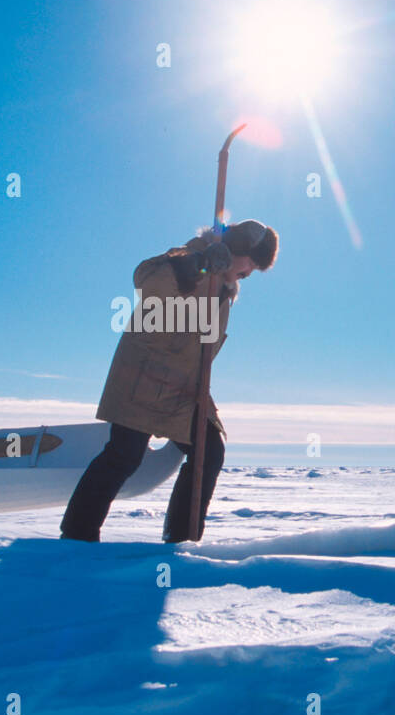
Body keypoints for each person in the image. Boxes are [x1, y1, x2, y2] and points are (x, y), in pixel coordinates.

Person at [60, 219, 279, 543]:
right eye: (253, 262)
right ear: (240, 249)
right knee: (124, 454)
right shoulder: (193, 257)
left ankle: (181, 541)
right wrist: (199, 265)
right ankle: (77, 536)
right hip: (144, 378)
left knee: (209, 451)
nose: (252, 272)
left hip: (184, 390)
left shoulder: (224, 287)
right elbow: (147, 280)